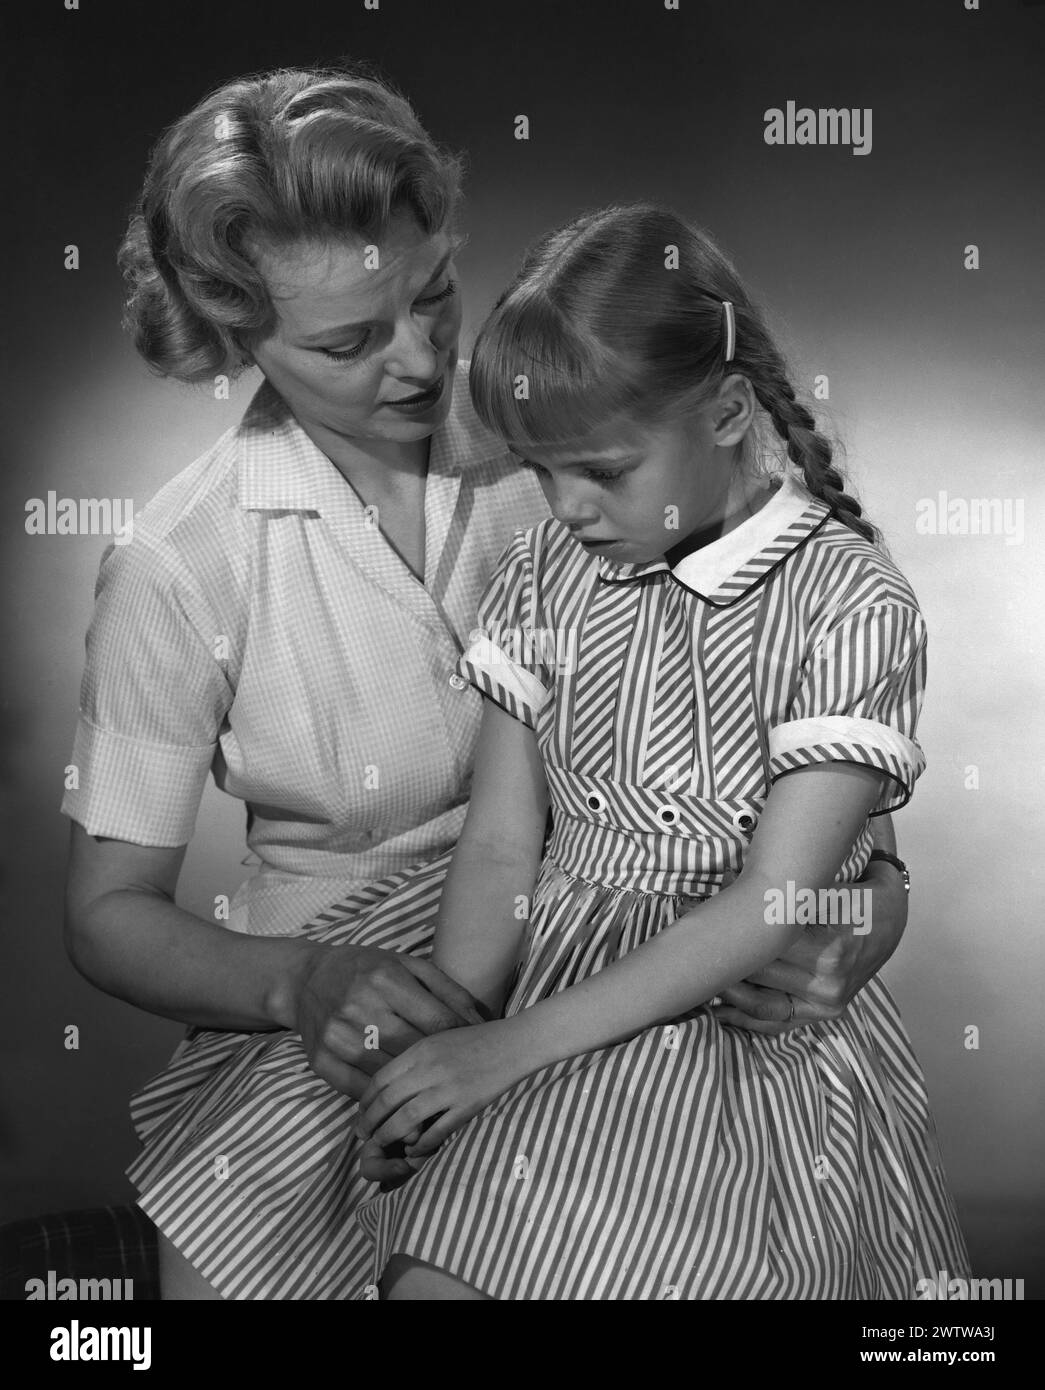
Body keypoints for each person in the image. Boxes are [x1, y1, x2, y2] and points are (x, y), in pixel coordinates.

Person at [62, 67, 912, 1301]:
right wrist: (299, 981)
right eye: (350, 343)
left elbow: (796, 751)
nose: (418, 362)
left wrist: (866, 915)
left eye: (432, 295)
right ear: (230, 338)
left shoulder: (577, 427)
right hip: (374, 990)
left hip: (640, 946)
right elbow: (105, 915)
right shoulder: (176, 562)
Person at [352, 203, 972, 1301]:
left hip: (731, 1041)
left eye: (601, 470)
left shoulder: (847, 600)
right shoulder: (546, 573)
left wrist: (511, 1051)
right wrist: (447, 1042)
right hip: (550, 998)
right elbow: (502, 843)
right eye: (543, 474)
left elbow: (773, 902)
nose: (568, 508)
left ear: (727, 410)